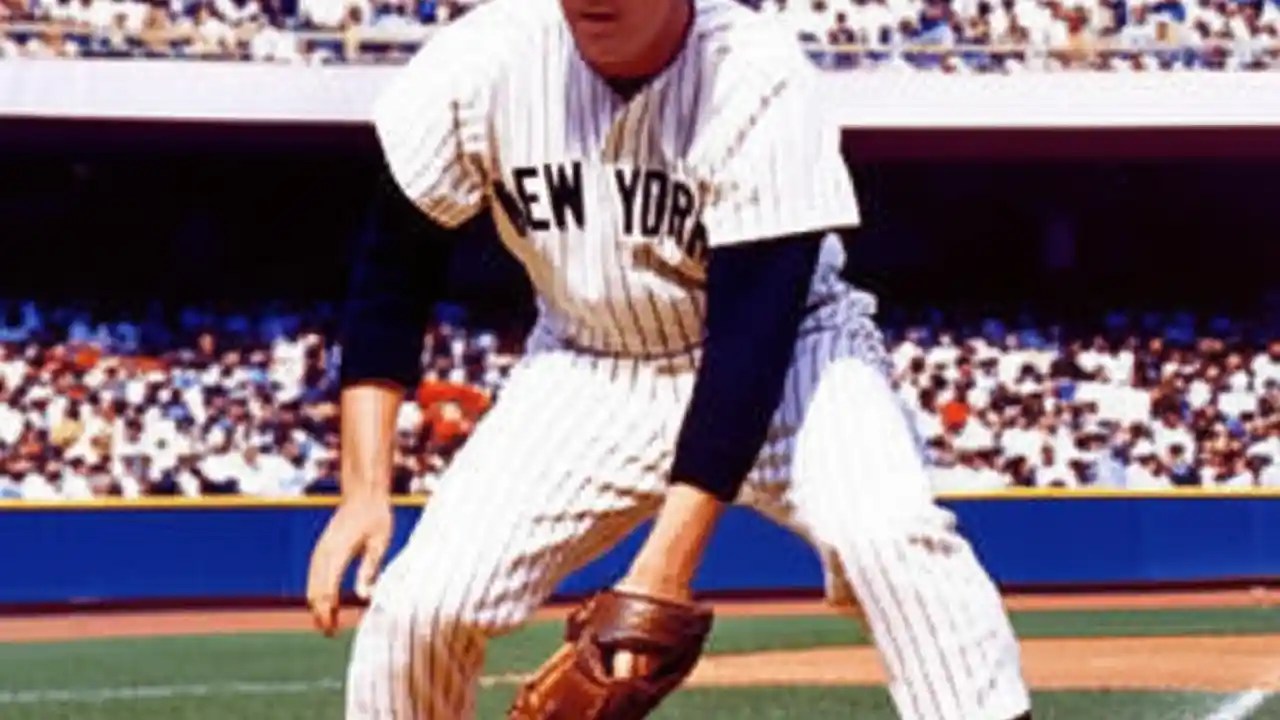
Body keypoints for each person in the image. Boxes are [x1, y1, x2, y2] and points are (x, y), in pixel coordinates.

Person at [304, 0, 1031, 718]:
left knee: (890, 537)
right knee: (416, 610)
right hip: (588, 362)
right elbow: (392, 277)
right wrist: (363, 489)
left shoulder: (756, 75)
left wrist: (662, 572)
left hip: (795, 356)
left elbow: (749, 346)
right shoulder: (480, 63)